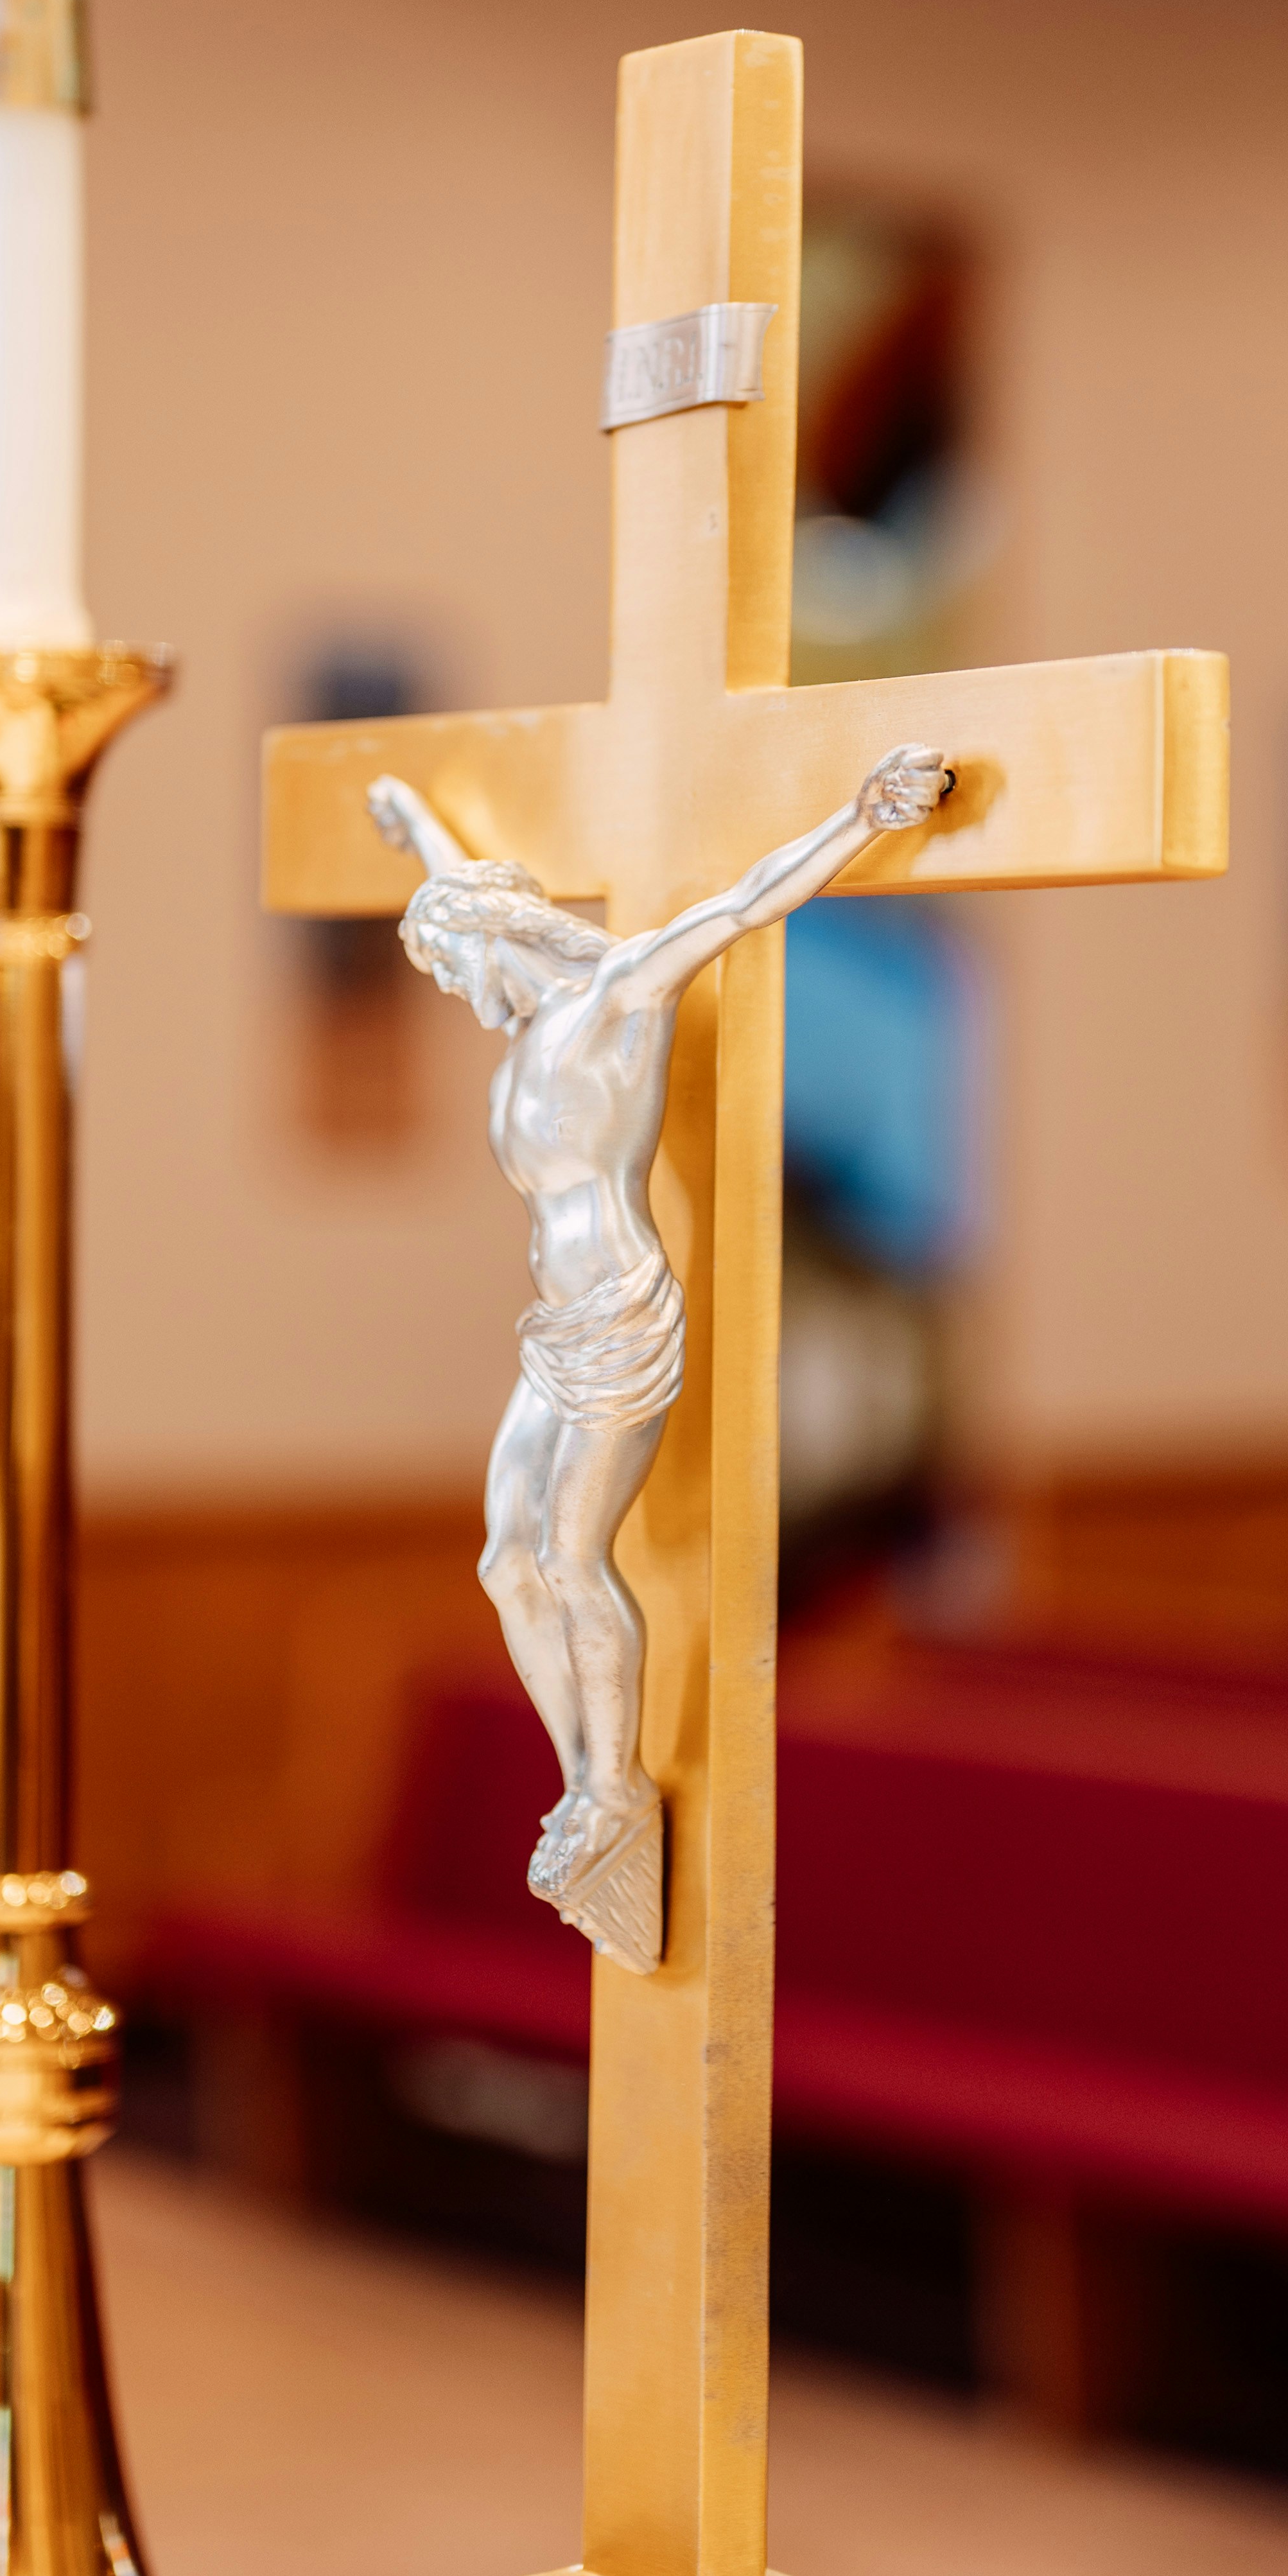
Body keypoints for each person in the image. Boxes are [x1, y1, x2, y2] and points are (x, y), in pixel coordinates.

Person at [370, 742, 950, 1970]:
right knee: (505, 1563)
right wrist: (412, 822)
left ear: (495, 942)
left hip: (623, 1314)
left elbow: (746, 903)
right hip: (553, 1324)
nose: (460, 996)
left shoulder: (618, 995)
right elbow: (458, 877)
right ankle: (580, 1773)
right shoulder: (521, 1026)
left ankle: (612, 1785)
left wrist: (860, 814)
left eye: (457, 968)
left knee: (572, 1555)